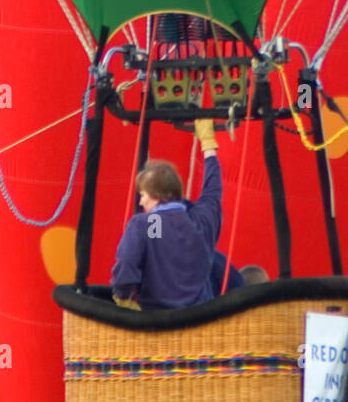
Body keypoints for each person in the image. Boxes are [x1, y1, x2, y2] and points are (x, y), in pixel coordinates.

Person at [111, 120, 265, 309]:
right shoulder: (200, 221)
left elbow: (130, 260)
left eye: (143, 195)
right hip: (200, 321)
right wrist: (208, 145)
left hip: (157, 320)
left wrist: (123, 295)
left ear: (158, 196)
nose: (141, 201)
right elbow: (213, 189)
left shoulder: (152, 223)